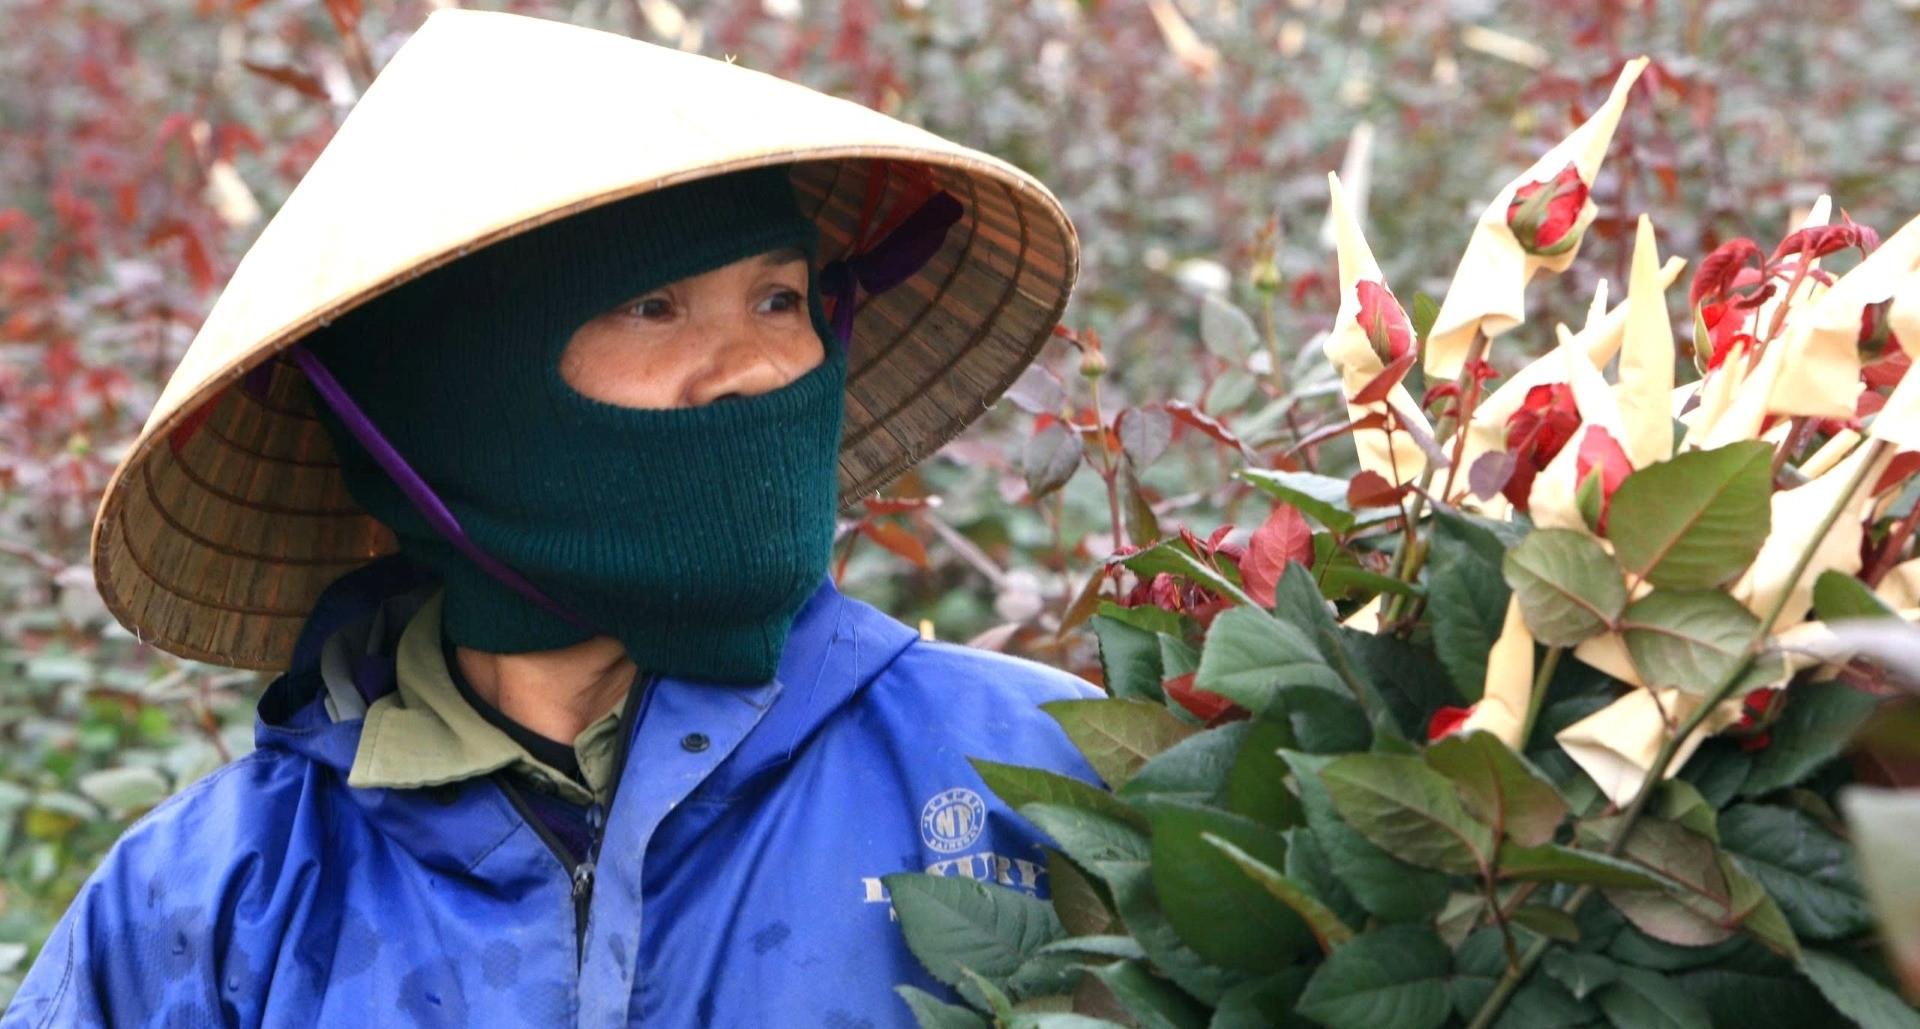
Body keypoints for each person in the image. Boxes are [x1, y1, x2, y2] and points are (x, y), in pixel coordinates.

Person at [4, 10, 1094, 1028]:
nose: (760, 370)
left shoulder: (1033, 777)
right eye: (653, 307)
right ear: (463, 413)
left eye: (779, 299)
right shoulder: (209, 905)